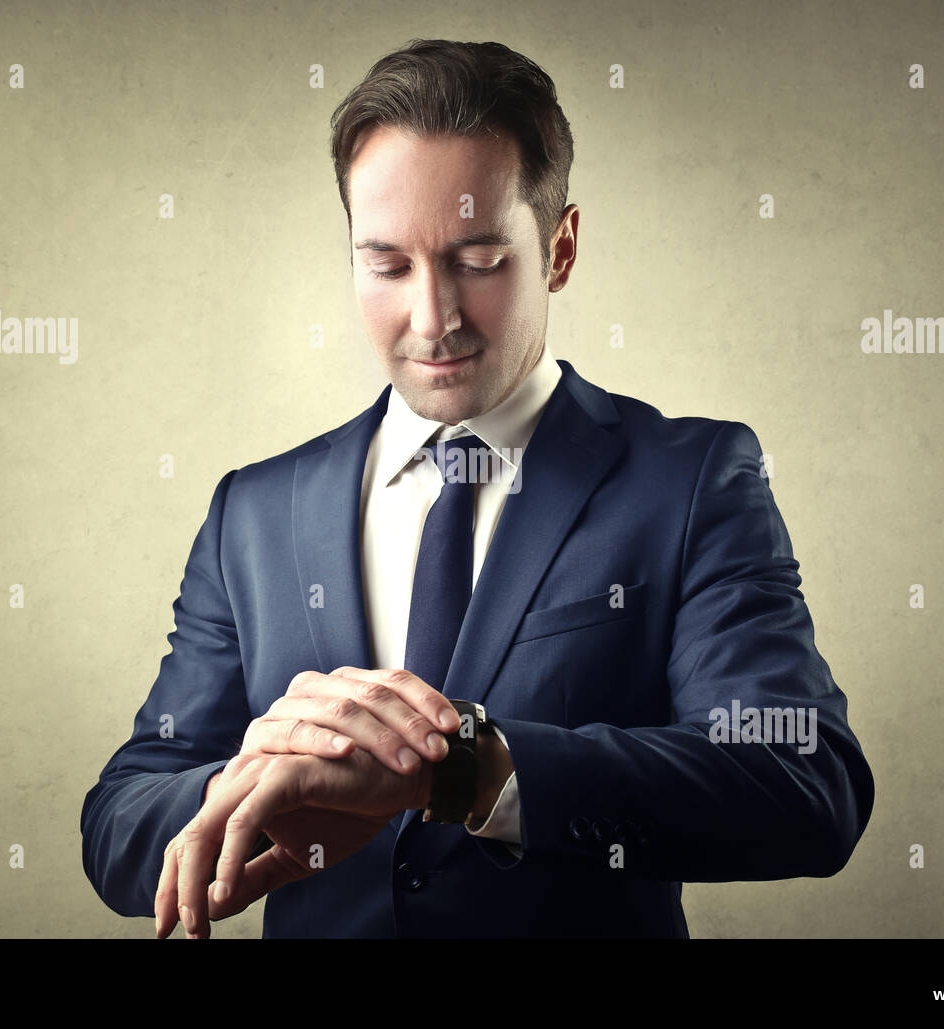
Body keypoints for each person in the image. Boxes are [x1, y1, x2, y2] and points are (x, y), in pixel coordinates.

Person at [80, 38, 874, 939]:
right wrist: (246, 789)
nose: (433, 318)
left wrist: (466, 770)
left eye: (479, 259)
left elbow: (804, 782)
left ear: (561, 248)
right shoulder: (254, 514)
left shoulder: (691, 480)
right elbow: (117, 822)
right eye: (387, 265)